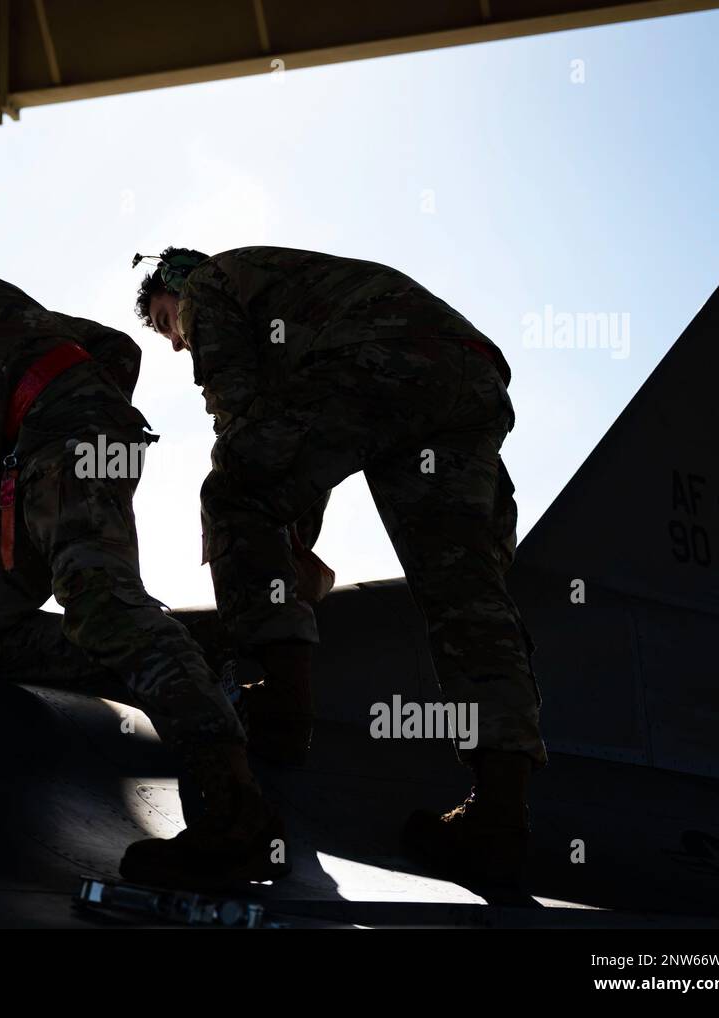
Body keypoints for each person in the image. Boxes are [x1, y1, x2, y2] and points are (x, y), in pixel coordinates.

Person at [0, 266, 289, 889]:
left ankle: (235, 814)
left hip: (57, 448)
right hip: (56, 452)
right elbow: (115, 348)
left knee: (102, 606)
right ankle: (187, 659)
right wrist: (85, 418)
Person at [133, 245, 546, 887]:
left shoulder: (208, 284)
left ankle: (280, 714)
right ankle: (499, 814)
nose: (179, 344)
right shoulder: (288, 293)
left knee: (233, 487)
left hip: (381, 358)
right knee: (464, 594)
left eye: (167, 323)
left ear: (176, 287)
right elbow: (304, 452)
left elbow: (244, 421)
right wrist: (292, 538)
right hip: (466, 372)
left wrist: (269, 544)